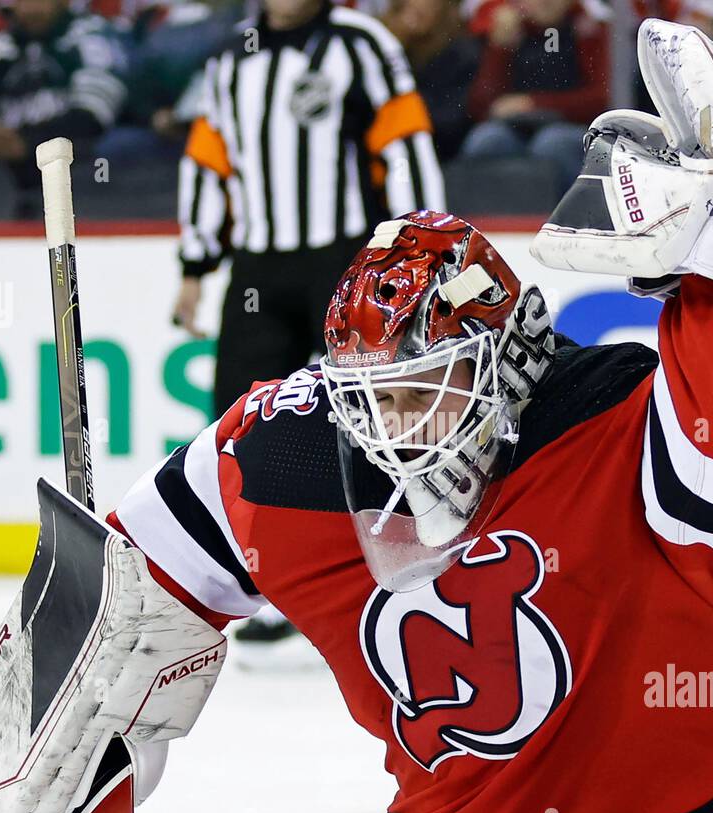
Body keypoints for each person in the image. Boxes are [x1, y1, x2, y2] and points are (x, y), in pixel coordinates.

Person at [90, 20, 713, 813]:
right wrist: (96, 702)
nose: (392, 428)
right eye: (369, 398)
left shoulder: (612, 412)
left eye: (422, 386)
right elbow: (130, 566)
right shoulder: (289, 449)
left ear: (509, 355)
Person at [171, 0, 445, 657]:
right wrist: (194, 263)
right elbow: (210, 160)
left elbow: (405, 144)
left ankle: (403, 568)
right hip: (259, 263)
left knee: (375, 419)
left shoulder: (362, 45)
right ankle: (270, 580)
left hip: (346, 258)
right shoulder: (231, 57)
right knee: (240, 421)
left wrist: (421, 251)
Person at [0, 0, 127, 214]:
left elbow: (96, 112)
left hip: (79, 166)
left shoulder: (90, 37)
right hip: (2, 169)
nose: (31, 9)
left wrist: (28, 143)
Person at [462, 0, 608, 195]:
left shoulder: (589, 29)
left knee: (553, 143)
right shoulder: (513, 29)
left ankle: (566, 219)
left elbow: (603, 99)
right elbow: (479, 106)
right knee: (486, 140)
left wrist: (534, 104)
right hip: (517, 129)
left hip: (576, 127)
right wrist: (499, 49)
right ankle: (495, 220)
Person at [381, 0, 479, 163]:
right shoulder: (388, 47)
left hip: (443, 155)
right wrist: (394, 46)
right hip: (390, 149)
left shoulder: (461, 52)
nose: (417, 5)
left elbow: (451, 120)